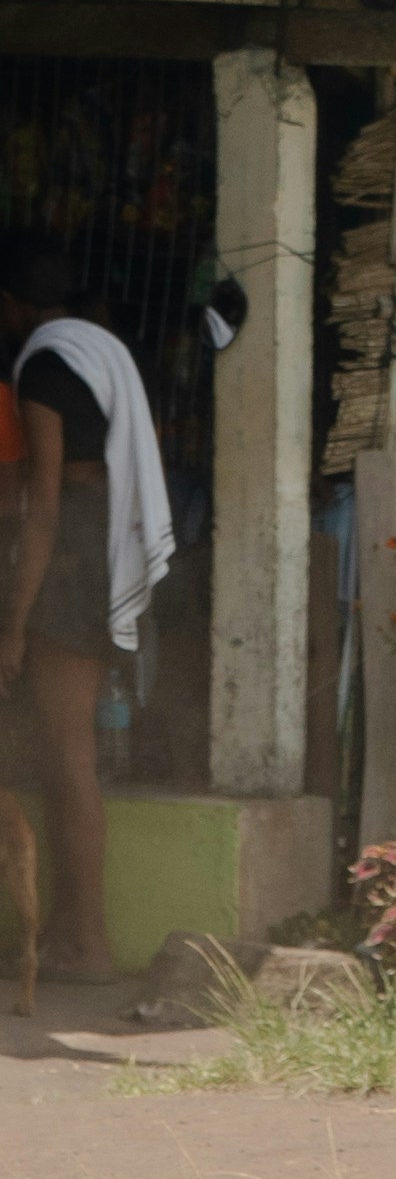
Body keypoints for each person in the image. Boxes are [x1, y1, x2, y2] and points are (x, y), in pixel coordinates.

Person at [0, 236, 175, 981]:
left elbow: (41, 504)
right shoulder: (99, 346)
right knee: (67, 761)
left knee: (68, 764)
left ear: (11, 303)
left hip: (71, 565)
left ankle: (86, 944)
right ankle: (70, 934)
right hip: (109, 552)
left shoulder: (42, 365)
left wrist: (13, 622)